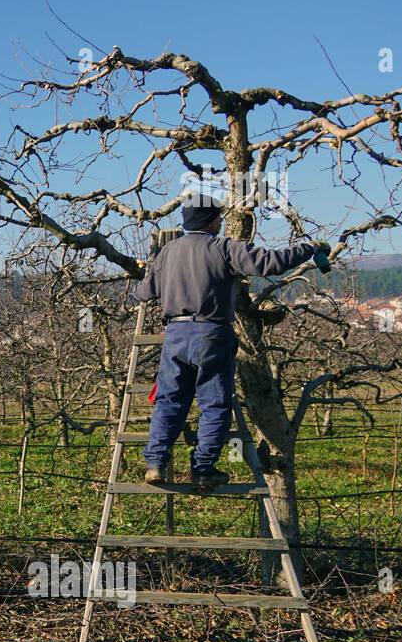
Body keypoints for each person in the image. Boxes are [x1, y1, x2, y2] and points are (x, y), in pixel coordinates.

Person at [134, 203, 328, 490]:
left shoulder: (168, 252)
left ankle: (156, 463)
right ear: (211, 222)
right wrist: (309, 247)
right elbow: (269, 263)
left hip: (175, 334)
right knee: (214, 404)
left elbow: (143, 292)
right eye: (219, 219)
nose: (221, 223)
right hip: (210, 333)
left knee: (170, 401)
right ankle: (203, 469)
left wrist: (160, 275)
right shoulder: (223, 248)